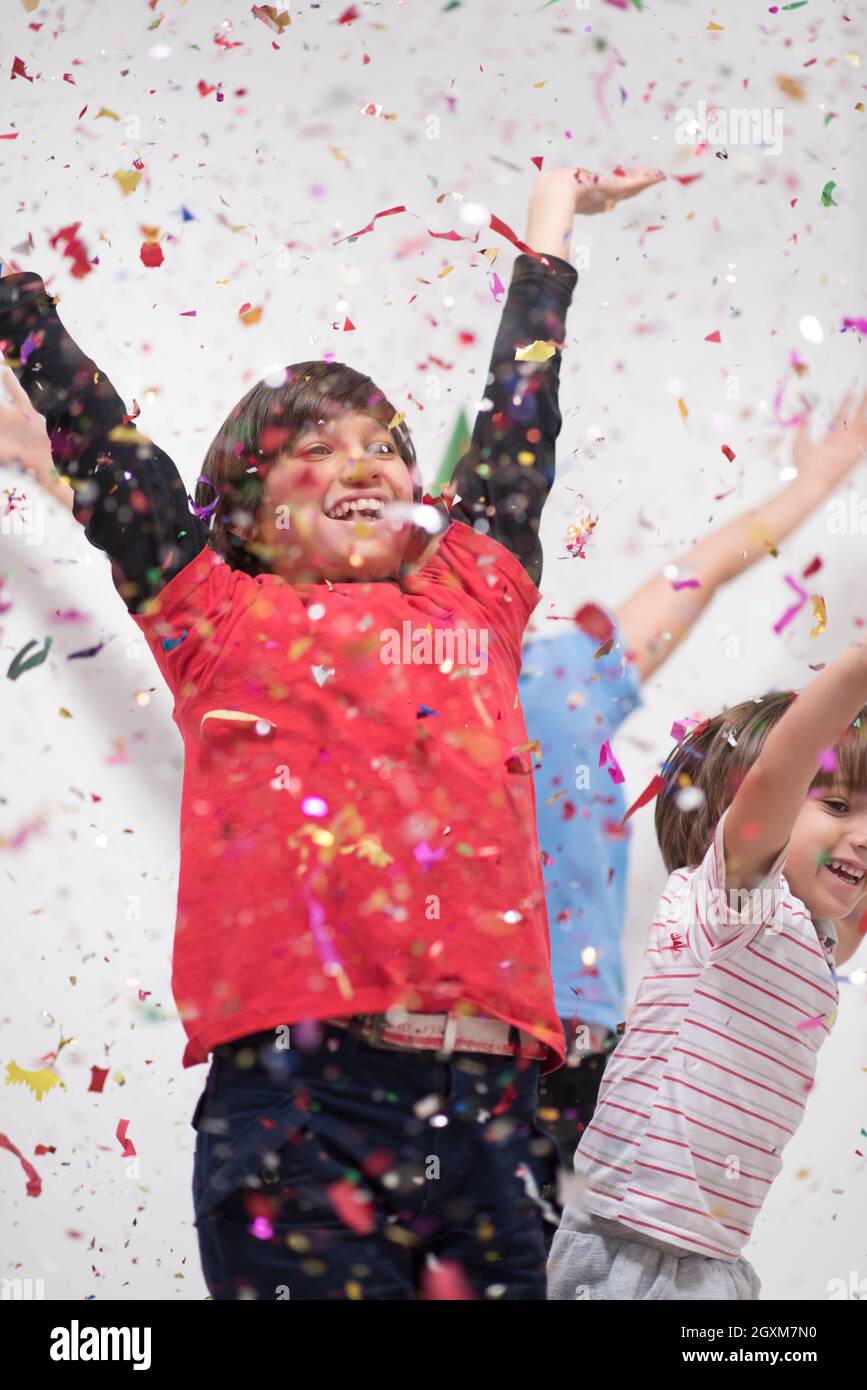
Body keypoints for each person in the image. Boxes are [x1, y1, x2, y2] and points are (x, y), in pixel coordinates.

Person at [0, 164, 663, 1300]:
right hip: (305, 1117)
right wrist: (18, 304)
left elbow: (516, 422)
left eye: (386, 444)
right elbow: (118, 463)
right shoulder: (214, 612)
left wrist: (550, 223)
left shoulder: (476, 599)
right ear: (248, 515)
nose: (362, 460)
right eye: (315, 446)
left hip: (495, 1126)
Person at [521, 390, 867, 1180]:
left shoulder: (558, 683)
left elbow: (699, 575)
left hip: (568, 1047)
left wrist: (817, 483)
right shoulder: (379, 716)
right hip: (416, 1040)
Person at [547, 649, 867, 1301]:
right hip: (629, 1251)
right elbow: (786, 762)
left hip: (710, 1257)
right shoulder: (738, 905)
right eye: (835, 806)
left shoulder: (815, 940)